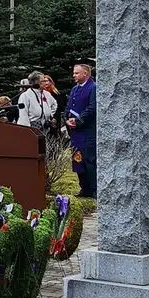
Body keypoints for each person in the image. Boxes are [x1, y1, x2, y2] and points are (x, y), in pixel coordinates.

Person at [66, 61, 98, 198]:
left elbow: (92, 108)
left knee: (89, 160)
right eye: (74, 72)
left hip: (87, 131)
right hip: (75, 132)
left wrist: (78, 121)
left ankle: (94, 188)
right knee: (77, 160)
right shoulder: (75, 89)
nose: (74, 75)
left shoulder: (93, 88)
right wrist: (67, 118)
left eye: (76, 73)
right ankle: (84, 187)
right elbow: (68, 107)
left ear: (85, 73)